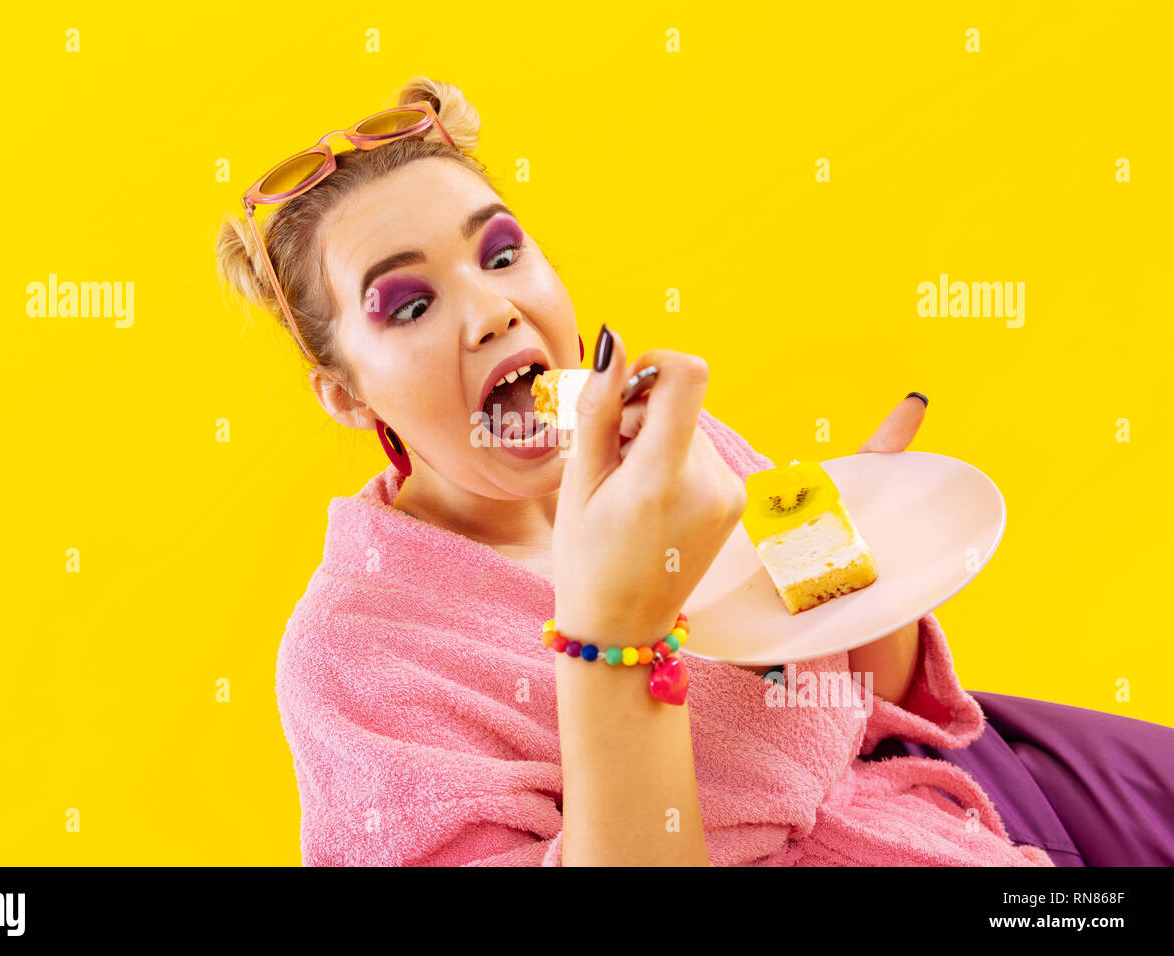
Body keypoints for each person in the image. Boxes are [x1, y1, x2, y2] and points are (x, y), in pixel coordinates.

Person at [216, 75, 1174, 866]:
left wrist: (858, 570)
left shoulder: (668, 445)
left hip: (953, 798)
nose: (492, 311)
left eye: (501, 253)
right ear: (346, 397)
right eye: (410, 306)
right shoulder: (357, 654)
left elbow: (859, 706)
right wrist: (613, 632)